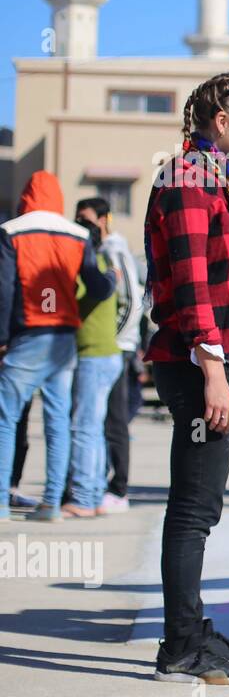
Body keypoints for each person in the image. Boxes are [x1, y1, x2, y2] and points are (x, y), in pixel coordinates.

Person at [145, 71, 229, 683]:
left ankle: (191, 627)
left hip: (212, 364)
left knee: (202, 507)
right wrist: (216, 373)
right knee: (193, 510)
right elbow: (194, 286)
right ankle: (179, 647)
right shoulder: (189, 178)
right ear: (222, 122)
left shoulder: (212, 177)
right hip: (195, 363)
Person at [0, 171, 114, 522]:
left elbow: (4, 291)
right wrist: (111, 281)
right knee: (58, 420)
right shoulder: (78, 235)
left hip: (28, 334)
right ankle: (51, 504)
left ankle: (1, 503)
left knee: (6, 419)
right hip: (64, 338)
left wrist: (2, 339)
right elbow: (98, 286)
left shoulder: (11, 232)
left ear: (26, 197)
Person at [76, 198, 144, 513]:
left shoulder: (114, 250)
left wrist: (115, 339)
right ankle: (101, 483)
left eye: (87, 219)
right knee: (101, 418)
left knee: (115, 419)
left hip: (118, 346)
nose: (82, 225)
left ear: (104, 220)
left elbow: (132, 299)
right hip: (110, 345)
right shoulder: (95, 251)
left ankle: (119, 489)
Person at [62, 208, 120, 518]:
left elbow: (72, 301)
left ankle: (83, 497)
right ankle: (94, 493)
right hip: (107, 354)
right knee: (93, 427)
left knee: (83, 427)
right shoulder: (101, 266)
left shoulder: (87, 271)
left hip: (92, 356)